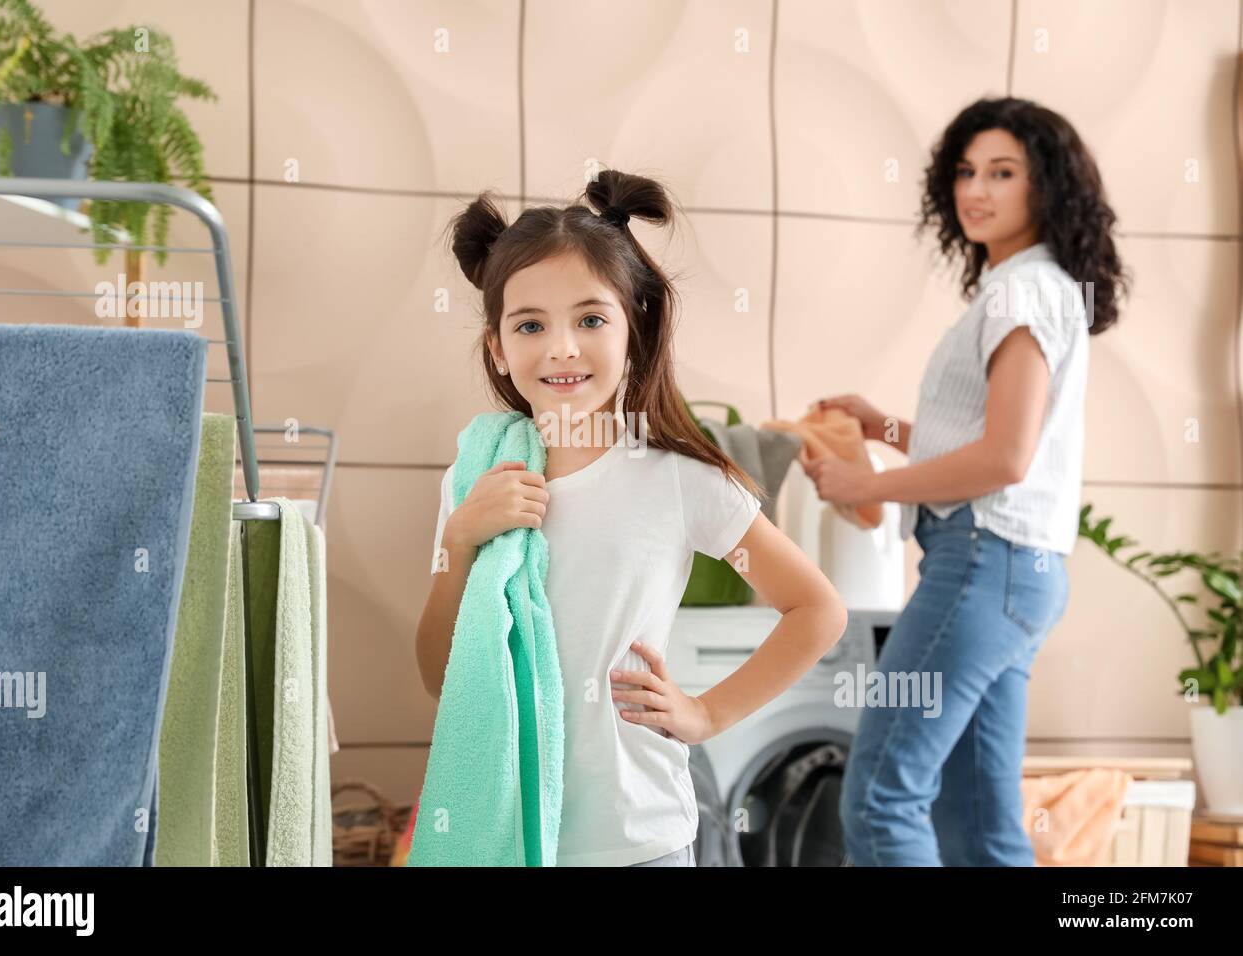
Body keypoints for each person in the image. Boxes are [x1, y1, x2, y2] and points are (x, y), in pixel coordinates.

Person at [414, 168, 848, 866]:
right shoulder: (478, 479)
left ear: (633, 328)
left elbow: (817, 609)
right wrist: (461, 537)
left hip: (637, 838)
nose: (561, 347)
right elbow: (440, 673)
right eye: (530, 325)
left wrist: (706, 714)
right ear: (498, 346)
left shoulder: (675, 480)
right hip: (514, 837)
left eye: (590, 319)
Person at [807, 97, 1128, 866]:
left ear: (1045, 185)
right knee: (977, 821)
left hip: (980, 564)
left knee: (881, 797)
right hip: (1020, 571)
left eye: (1002, 173)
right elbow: (1000, 444)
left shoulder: (1019, 293)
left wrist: (865, 486)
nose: (975, 190)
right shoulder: (1041, 286)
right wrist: (885, 429)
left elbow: (1004, 461)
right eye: (965, 171)